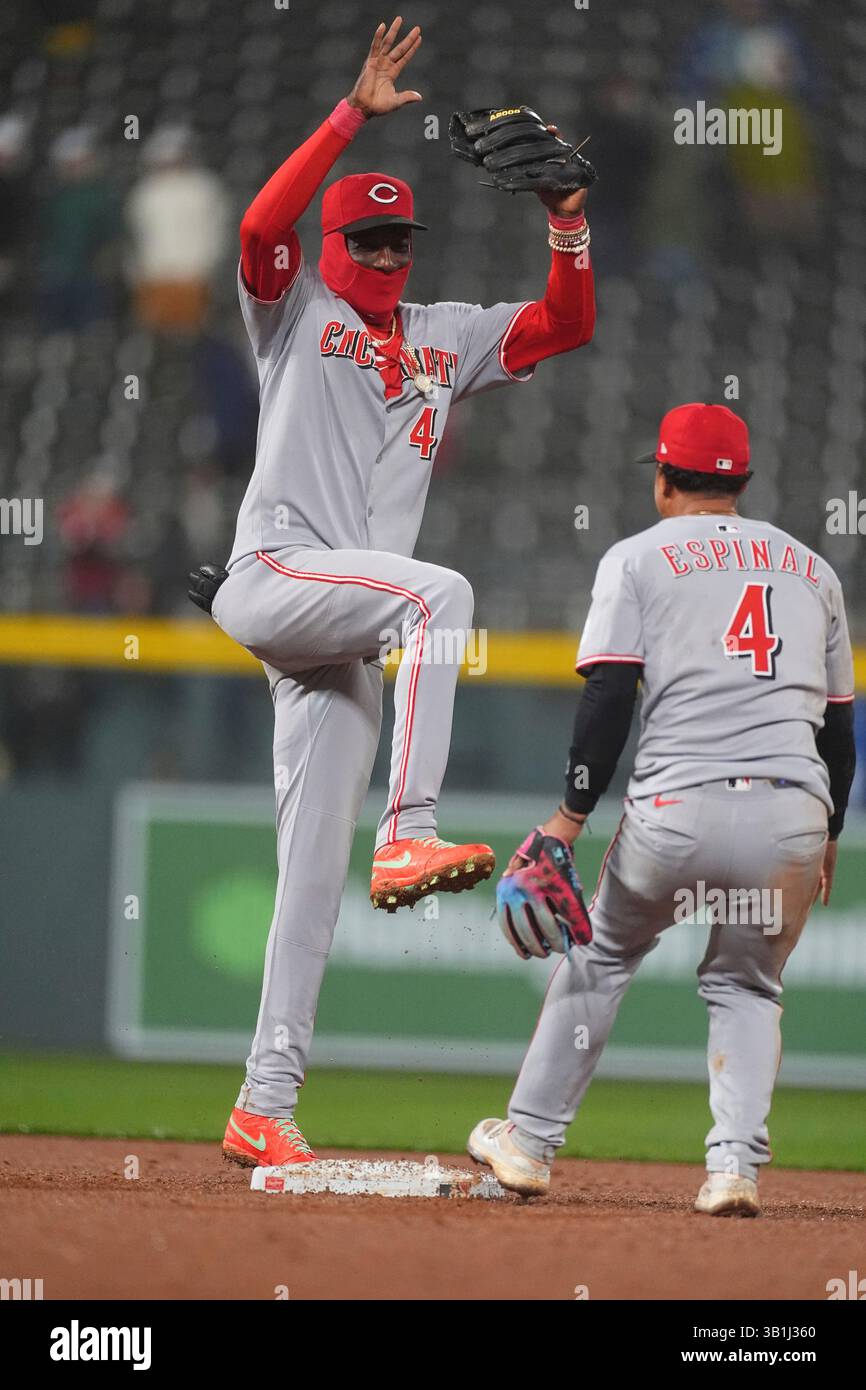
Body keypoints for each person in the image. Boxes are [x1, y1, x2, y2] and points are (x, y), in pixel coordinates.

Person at [193, 17, 597, 1169]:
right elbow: (261, 224)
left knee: (308, 879)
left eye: (395, 240)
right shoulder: (291, 315)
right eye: (364, 240)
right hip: (280, 574)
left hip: (338, 630)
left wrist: (566, 223)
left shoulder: (439, 335)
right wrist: (347, 117)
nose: (382, 257)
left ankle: (261, 1104)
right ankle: (409, 831)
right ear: (334, 248)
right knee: (442, 594)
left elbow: (566, 321)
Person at [469, 403, 856, 1216]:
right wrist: (831, 832)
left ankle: (530, 1145)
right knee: (748, 989)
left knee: (602, 955)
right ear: (741, 481)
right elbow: (841, 724)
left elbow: (609, 695)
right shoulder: (813, 568)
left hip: (677, 809)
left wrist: (567, 819)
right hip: (792, 813)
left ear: (663, 478)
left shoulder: (638, 559)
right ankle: (733, 1172)